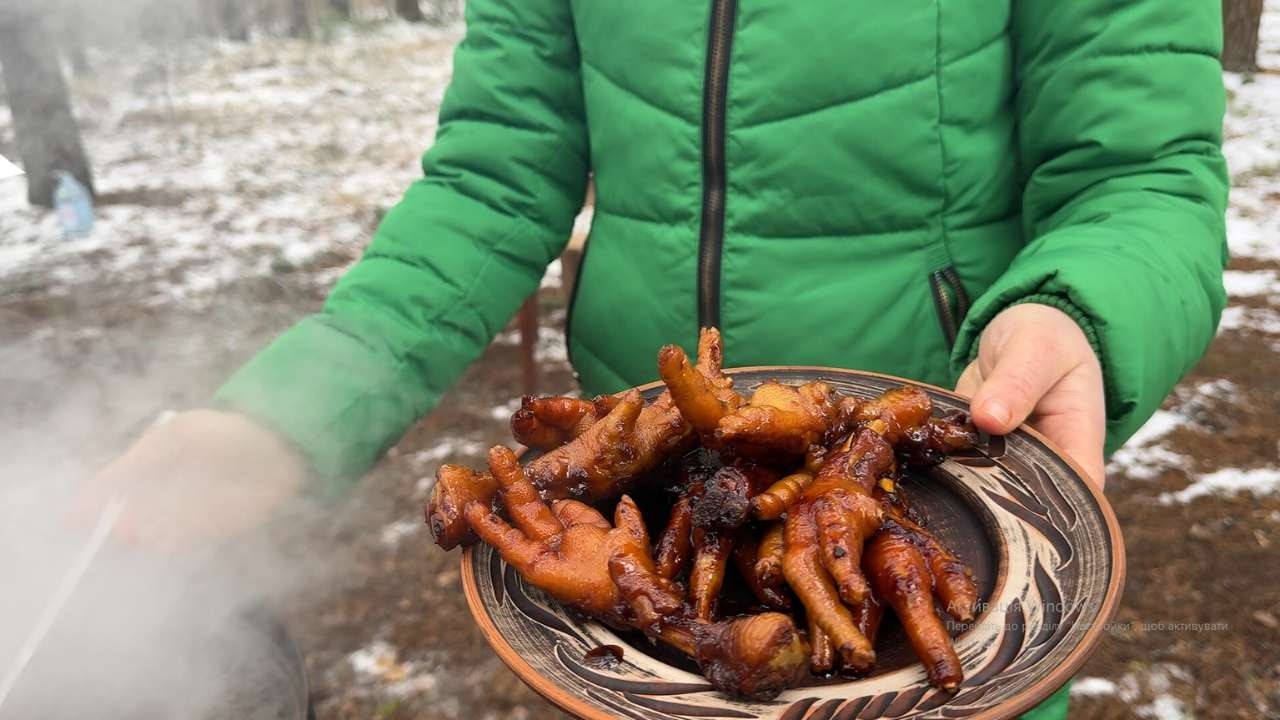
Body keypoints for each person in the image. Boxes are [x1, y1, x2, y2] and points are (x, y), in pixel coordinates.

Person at [83, 1, 1229, 717]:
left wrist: (1077, 315)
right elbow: (494, 174)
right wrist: (296, 407)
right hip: (631, 560)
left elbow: (1139, 173)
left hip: (946, 514)